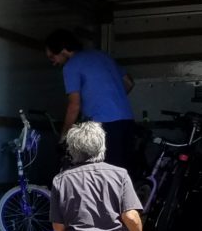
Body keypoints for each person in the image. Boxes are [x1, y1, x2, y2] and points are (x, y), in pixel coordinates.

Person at [45, 28, 137, 171]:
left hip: (104, 126)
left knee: (102, 174)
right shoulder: (102, 56)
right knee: (122, 173)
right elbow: (129, 83)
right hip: (127, 121)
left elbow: (74, 106)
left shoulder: (71, 66)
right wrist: (110, 99)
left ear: (63, 50)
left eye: (52, 58)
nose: (54, 63)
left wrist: (63, 137)